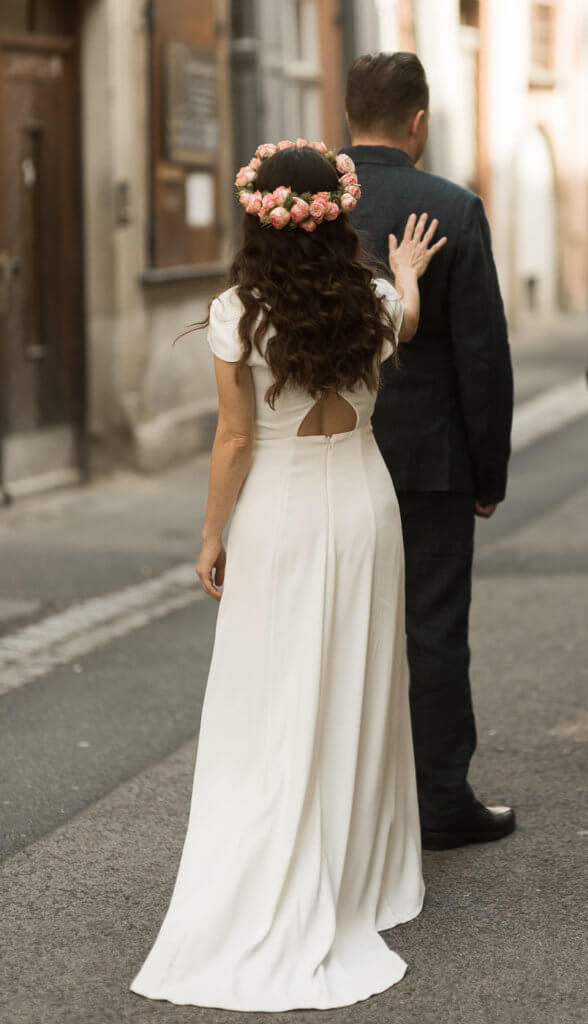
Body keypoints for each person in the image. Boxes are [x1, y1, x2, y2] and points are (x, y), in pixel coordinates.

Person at [130, 141, 447, 1011]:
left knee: (269, 690)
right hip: (367, 504)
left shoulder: (237, 312)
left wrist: (210, 534)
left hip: (281, 513)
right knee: (360, 680)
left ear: (259, 216)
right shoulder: (375, 299)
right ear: (339, 214)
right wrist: (407, 273)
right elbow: (410, 322)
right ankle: (361, 869)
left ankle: (280, 844)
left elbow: (236, 439)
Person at [343, 52, 515, 851]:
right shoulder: (451, 206)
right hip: (430, 459)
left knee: (343, 626)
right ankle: (441, 801)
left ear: (349, 115)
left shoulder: (305, 203)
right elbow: (482, 352)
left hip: (329, 451)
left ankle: (348, 802)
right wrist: (489, 470)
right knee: (433, 629)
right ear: (419, 121)